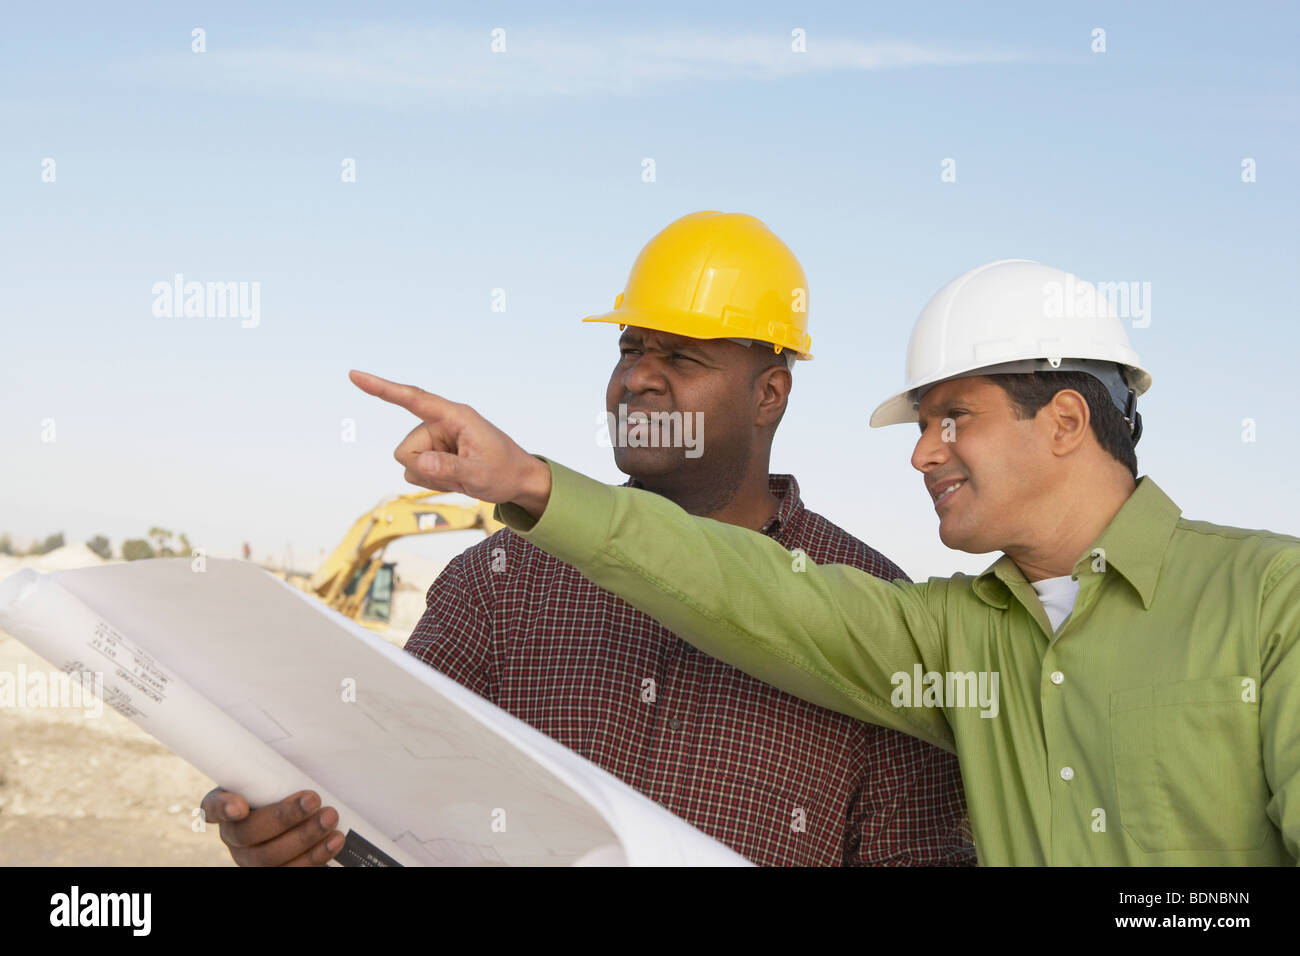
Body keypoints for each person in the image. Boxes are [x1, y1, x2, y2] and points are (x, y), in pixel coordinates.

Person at [350, 257, 1300, 865]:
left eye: (952, 419)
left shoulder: (1270, 598)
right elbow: (744, 587)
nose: (922, 454)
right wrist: (529, 481)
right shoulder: (948, 635)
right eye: (922, 423)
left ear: (1063, 421)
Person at [206, 212, 972, 866]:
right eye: (630, 349)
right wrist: (301, 835)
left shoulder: (875, 619)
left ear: (769, 394)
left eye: (681, 356)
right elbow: (382, 802)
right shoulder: (501, 580)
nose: (638, 378)